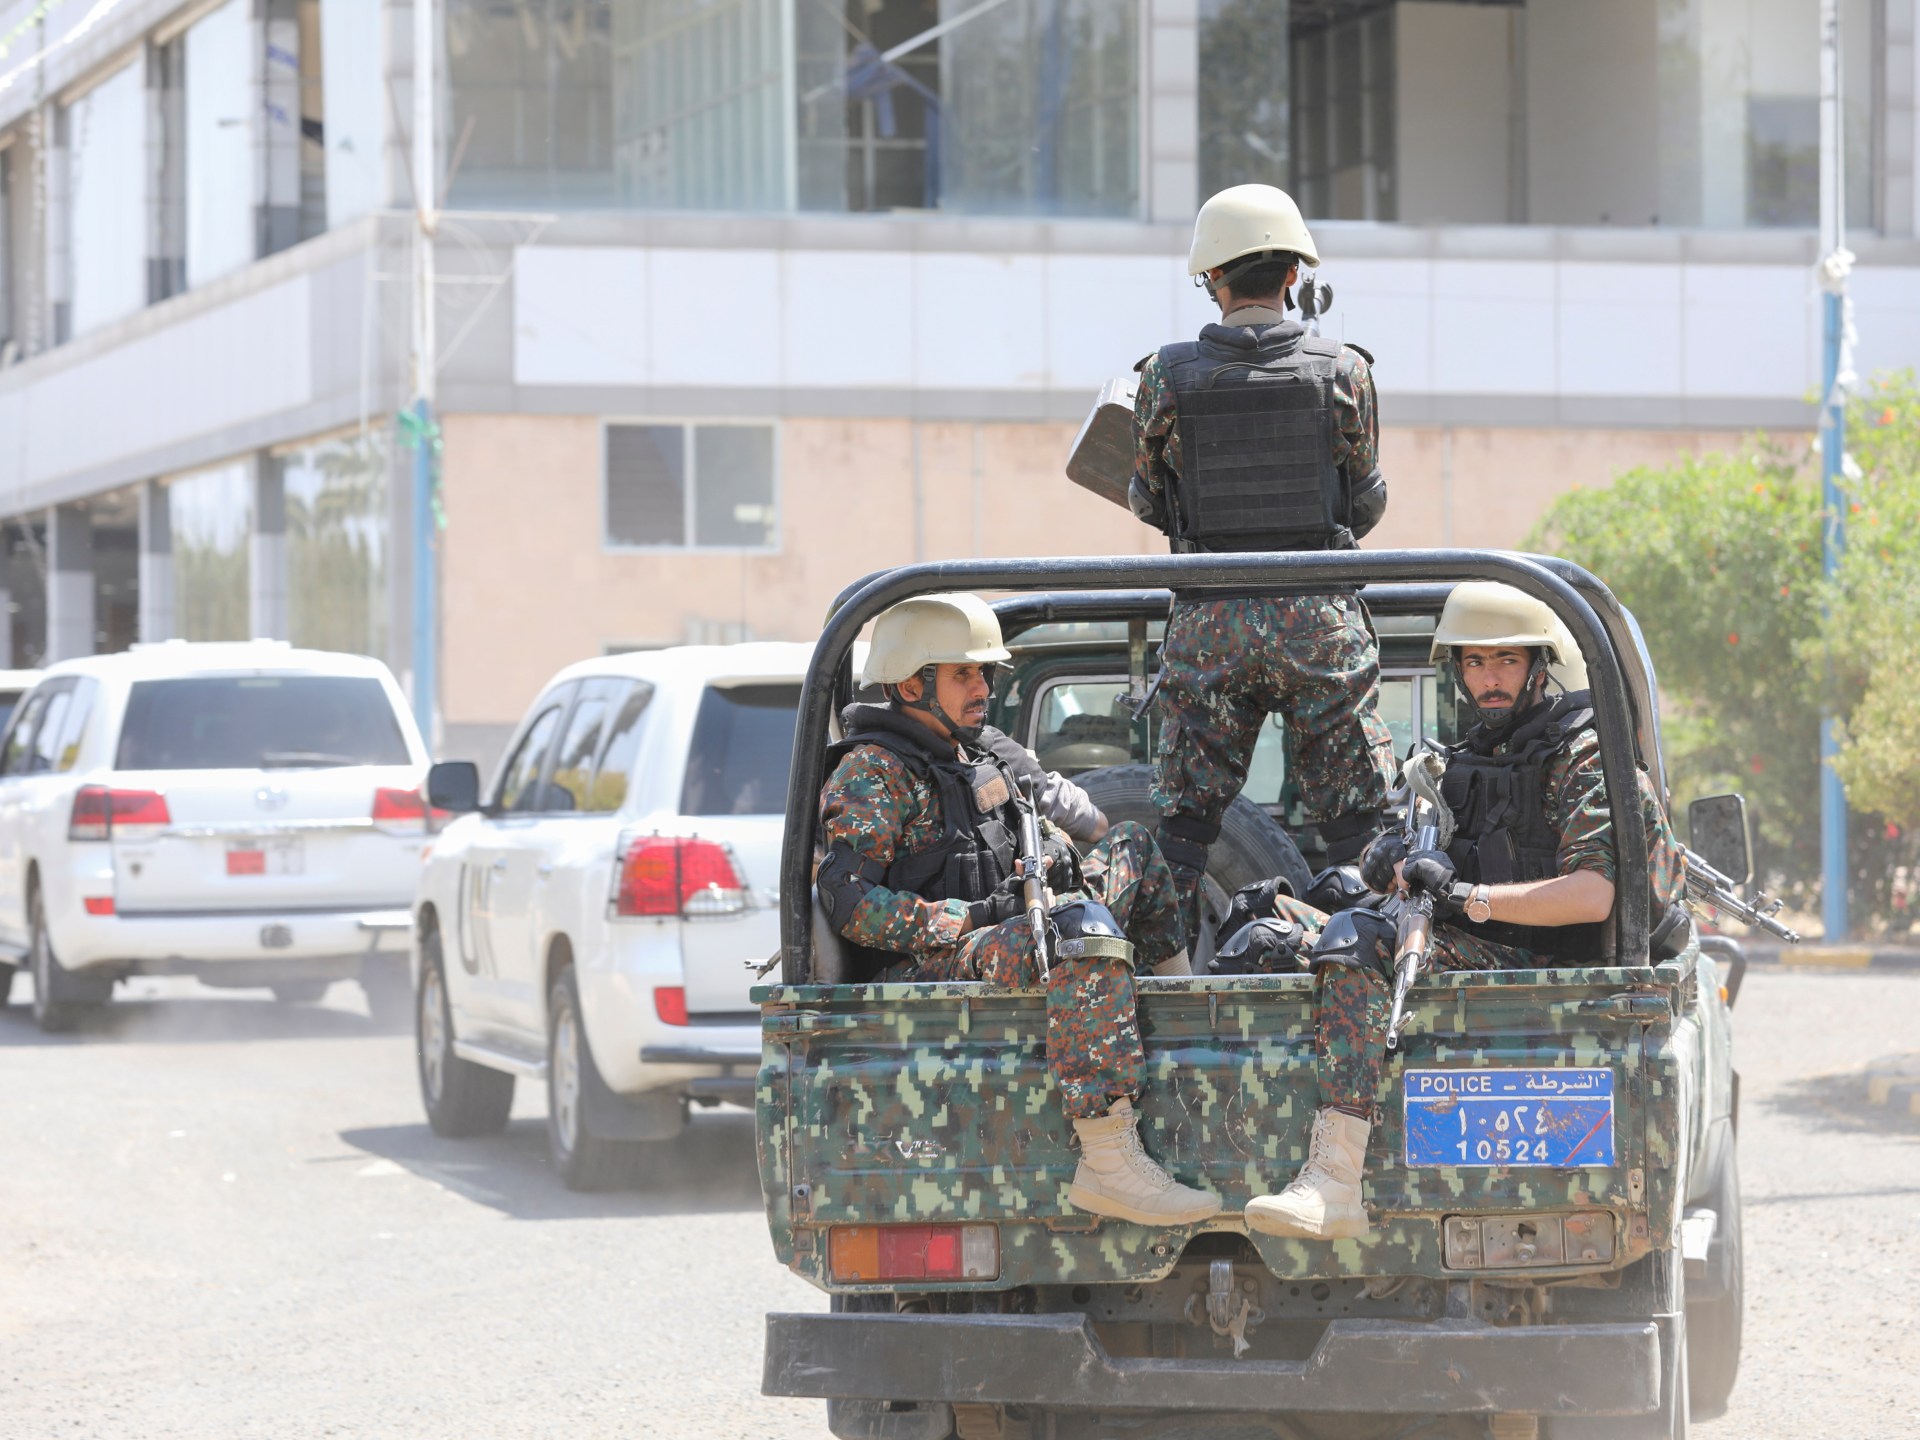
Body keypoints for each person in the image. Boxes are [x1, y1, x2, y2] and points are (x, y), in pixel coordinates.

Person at [1218, 582, 1690, 1240]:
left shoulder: (1582, 759)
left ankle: (1336, 1179)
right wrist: (1391, 862)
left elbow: (1594, 893)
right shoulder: (1470, 757)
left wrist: (1463, 897)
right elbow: (1427, 848)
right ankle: (1233, 1158)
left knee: (1358, 938)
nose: (1489, 679)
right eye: (1475, 662)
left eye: (1506, 661)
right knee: (1264, 927)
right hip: (1468, 937)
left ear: (1538, 666)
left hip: (1544, 962)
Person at [815, 592, 1220, 1227]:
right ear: (910, 684)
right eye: (963, 674)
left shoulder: (974, 755)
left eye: (983, 672)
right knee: (1077, 934)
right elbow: (851, 904)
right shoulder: (875, 772)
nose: (982, 688)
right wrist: (974, 916)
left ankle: (1189, 1023)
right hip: (934, 961)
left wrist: (1054, 865)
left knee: (1133, 848)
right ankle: (1108, 1161)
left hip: (1014, 927)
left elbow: (1033, 839)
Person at [1128, 183, 1397, 939]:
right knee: (1357, 827)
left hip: (1210, 617)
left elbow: (1149, 500)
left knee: (1184, 831)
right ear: (1293, 275)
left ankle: (1160, 974)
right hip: (1319, 621)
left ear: (1211, 277)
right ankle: (1363, 962)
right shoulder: (1344, 370)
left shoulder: (1164, 377)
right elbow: (1366, 501)